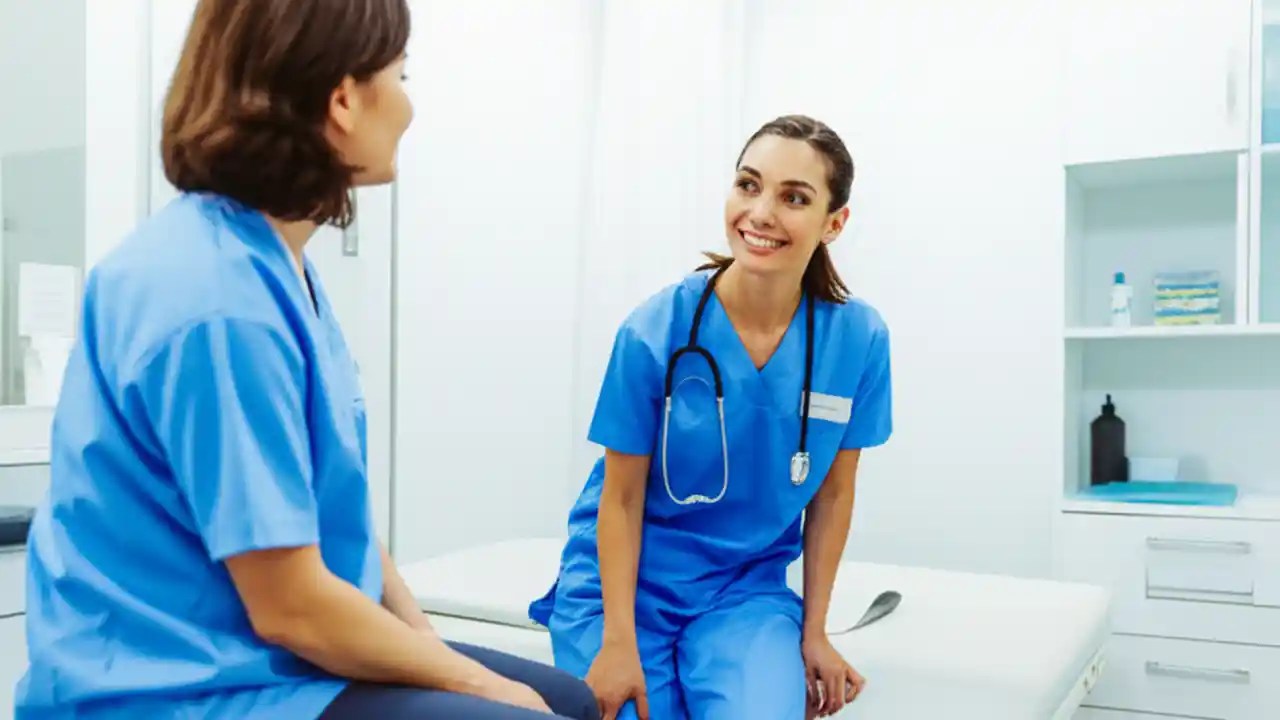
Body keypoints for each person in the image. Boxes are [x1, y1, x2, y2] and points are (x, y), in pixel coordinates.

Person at [15, 2, 597, 719]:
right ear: (344, 98)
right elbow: (292, 607)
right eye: (401, 75)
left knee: (566, 697)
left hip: (268, 655)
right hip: (175, 686)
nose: (410, 107)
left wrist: (431, 651)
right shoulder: (213, 294)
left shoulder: (278, 268)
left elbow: (334, 514)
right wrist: (480, 686)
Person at [528, 114, 893, 720]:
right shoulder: (656, 328)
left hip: (742, 590)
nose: (761, 212)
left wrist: (815, 631)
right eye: (748, 185)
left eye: (794, 197)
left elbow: (832, 494)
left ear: (835, 223)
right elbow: (618, 501)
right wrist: (617, 643)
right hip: (623, 587)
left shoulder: (857, 338)